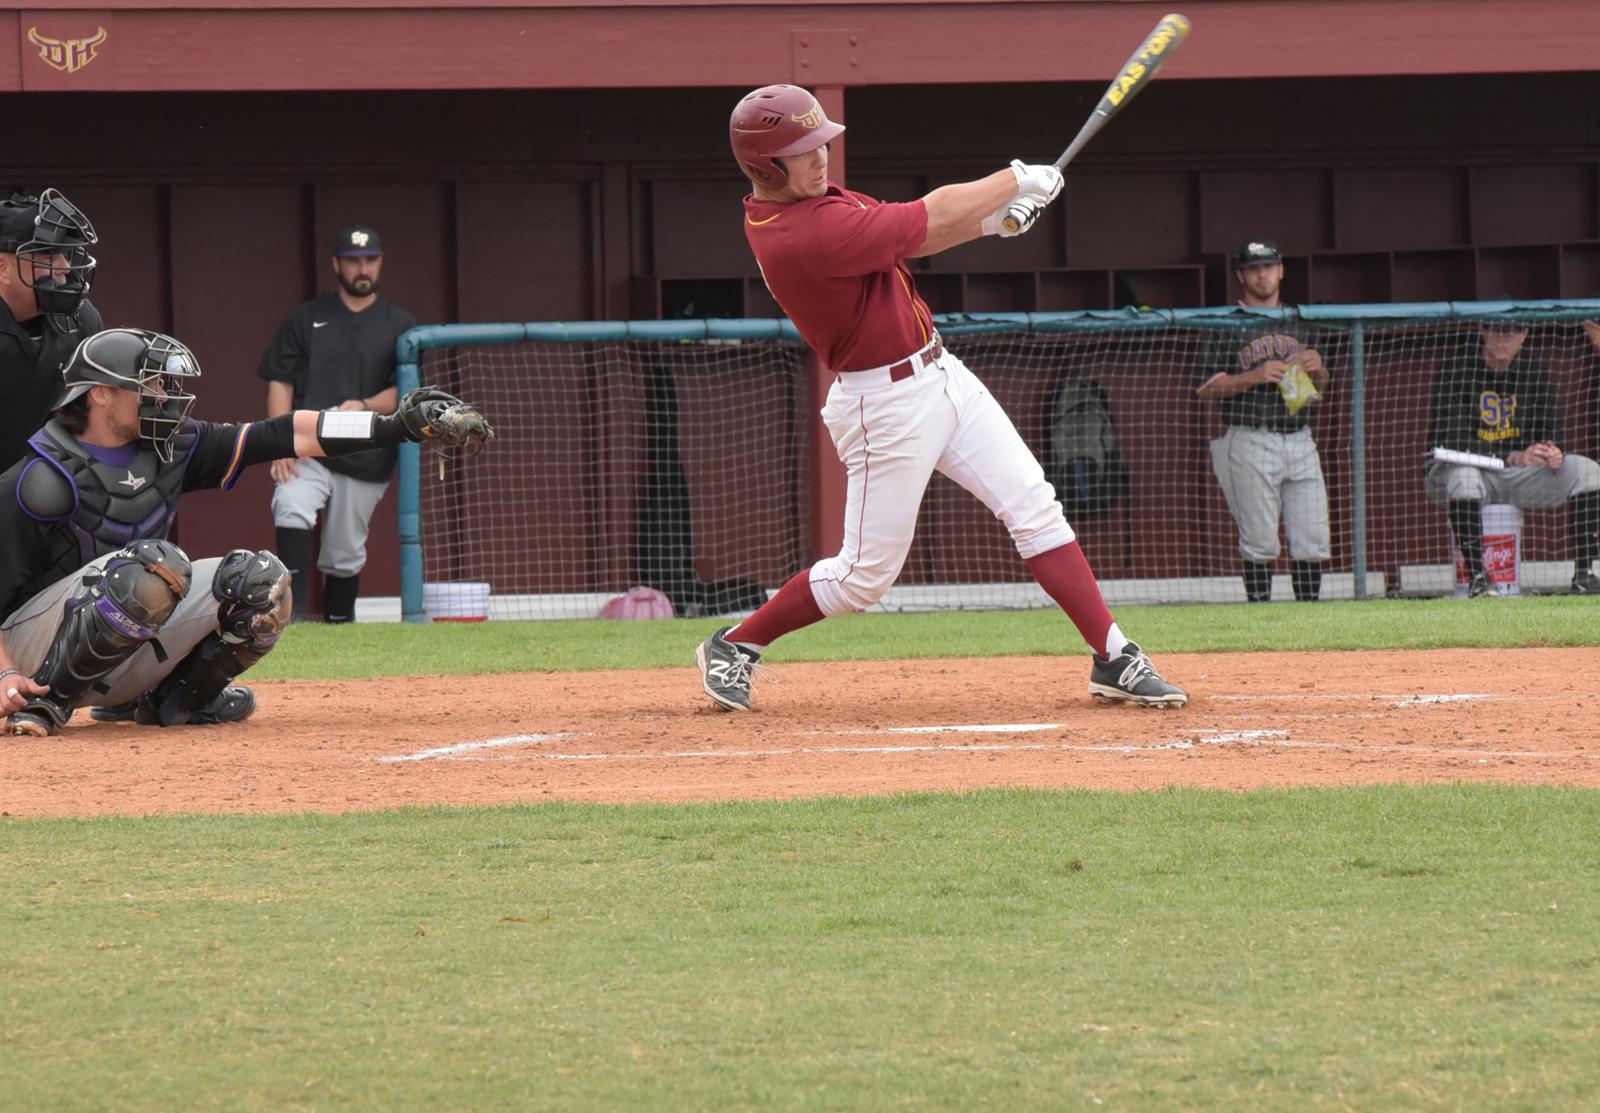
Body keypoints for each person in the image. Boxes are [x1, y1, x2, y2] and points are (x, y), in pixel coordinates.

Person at [693, 84, 1186, 712]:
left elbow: (915, 240)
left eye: (820, 143)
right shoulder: (798, 233)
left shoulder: (819, 202)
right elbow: (920, 217)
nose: (821, 158)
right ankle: (736, 644)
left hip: (941, 373)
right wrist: (1016, 178)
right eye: (803, 150)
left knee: (1035, 505)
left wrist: (992, 223)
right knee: (862, 578)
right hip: (883, 407)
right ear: (765, 165)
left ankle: (1115, 654)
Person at [0, 327, 491, 737]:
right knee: (155, 563)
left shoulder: (172, 446)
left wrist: (391, 428)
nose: (164, 396)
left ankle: (173, 701)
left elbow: (284, 433)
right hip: (27, 659)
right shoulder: (40, 477)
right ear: (100, 393)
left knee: (261, 582)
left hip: (116, 643)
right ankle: (44, 709)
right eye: (149, 385)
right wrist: (4, 673)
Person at [258, 224, 417, 623]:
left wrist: (363, 404)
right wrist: (279, 441)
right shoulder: (308, 316)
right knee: (291, 505)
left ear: (380, 263)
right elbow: (281, 378)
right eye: (352, 260)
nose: (361, 268)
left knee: (345, 552)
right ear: (337, 264)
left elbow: (407, 391)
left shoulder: (400, 323)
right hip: (310, 444)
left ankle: (339, 629)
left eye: (369, 259)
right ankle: (289, 621)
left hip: (367, 452)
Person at [1196, 238, 1332, 603]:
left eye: (1268, 266)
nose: (1262, 274)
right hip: (1250, 436)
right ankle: (1260, 618)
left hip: (1300, 436)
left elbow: (1320, 388)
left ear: (1281, 270)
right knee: (1259, 538)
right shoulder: (1226, 323)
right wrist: (1253, 376)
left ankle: (1310, 617)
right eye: (1254, 268)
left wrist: (1319, 368)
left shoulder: (1300, 320)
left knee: (1312, 536)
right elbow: (1205, 388)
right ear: (1241, 275)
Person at [1425, 318, 1600, 596]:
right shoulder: (1457, 368)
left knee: (1588, 471)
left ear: (1525, 335)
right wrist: (1513, 456)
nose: (1502, 340)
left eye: (1511, 332)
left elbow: (1552, 427)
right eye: (1495, 331)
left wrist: (1551, 451)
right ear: (1482, 331)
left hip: (1516, 474)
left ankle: (1584, 573)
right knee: (1465, 477)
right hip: (1462, 468)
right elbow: (1452, 439)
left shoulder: (1533, 371)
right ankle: (1479, 578)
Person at [0, 188, 103, 472]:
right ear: (2, 269)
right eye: (47, 255)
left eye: (66, 253)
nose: (64, 267)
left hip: (44, 492)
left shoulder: (81, 321)